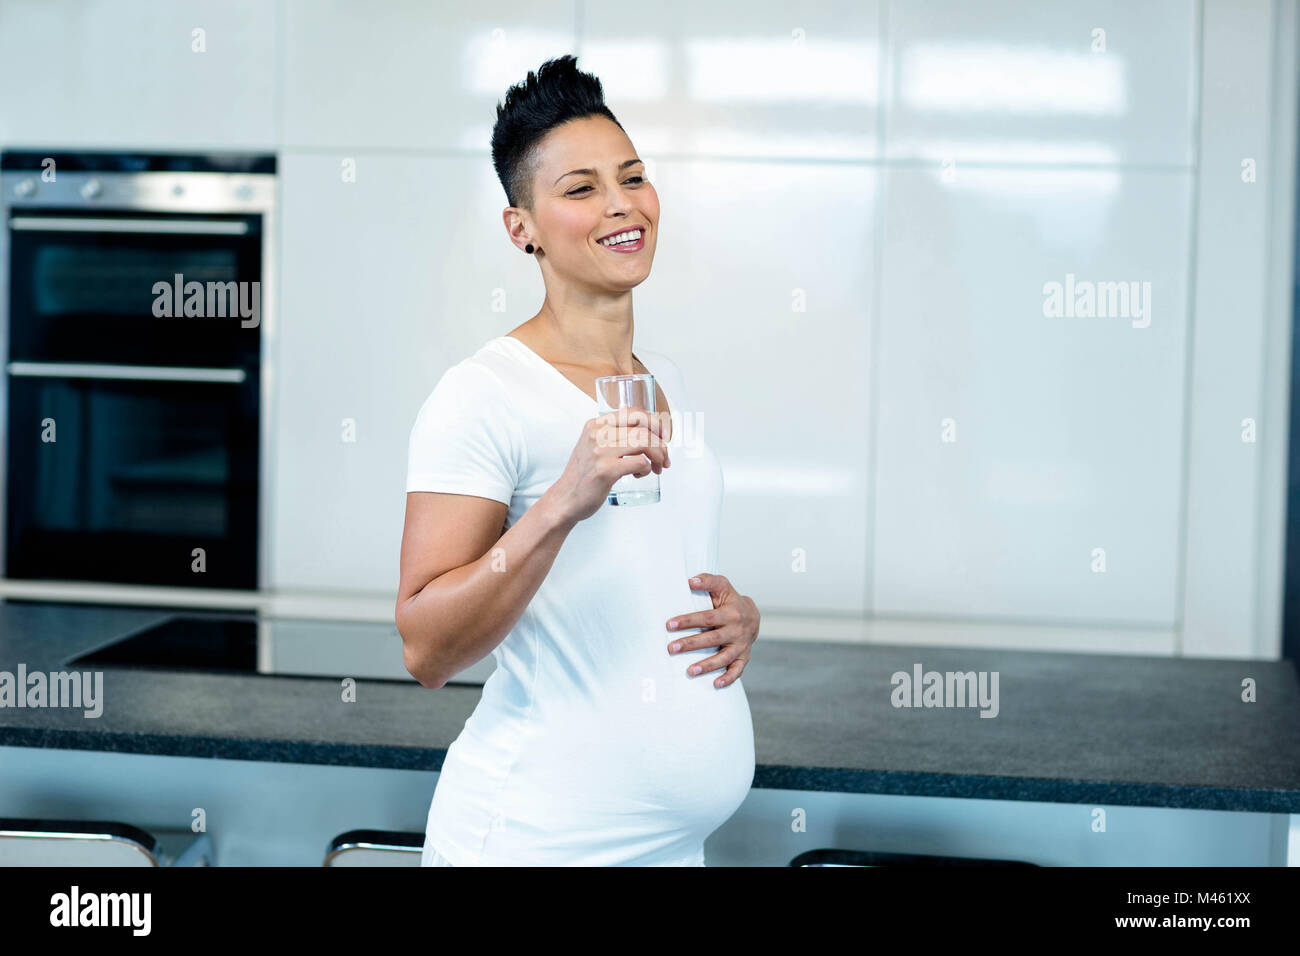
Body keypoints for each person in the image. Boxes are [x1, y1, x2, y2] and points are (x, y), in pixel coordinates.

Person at [396, 54, 761, 866]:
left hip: (671, 847)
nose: (622, 204)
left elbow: (644, 575)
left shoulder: (669, 380)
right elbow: (425, 647)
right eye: (581, 188)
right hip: (537, 840)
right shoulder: (482, 395)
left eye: (632, 177)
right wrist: (563, 501)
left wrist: (738, 618)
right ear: (520, 227)